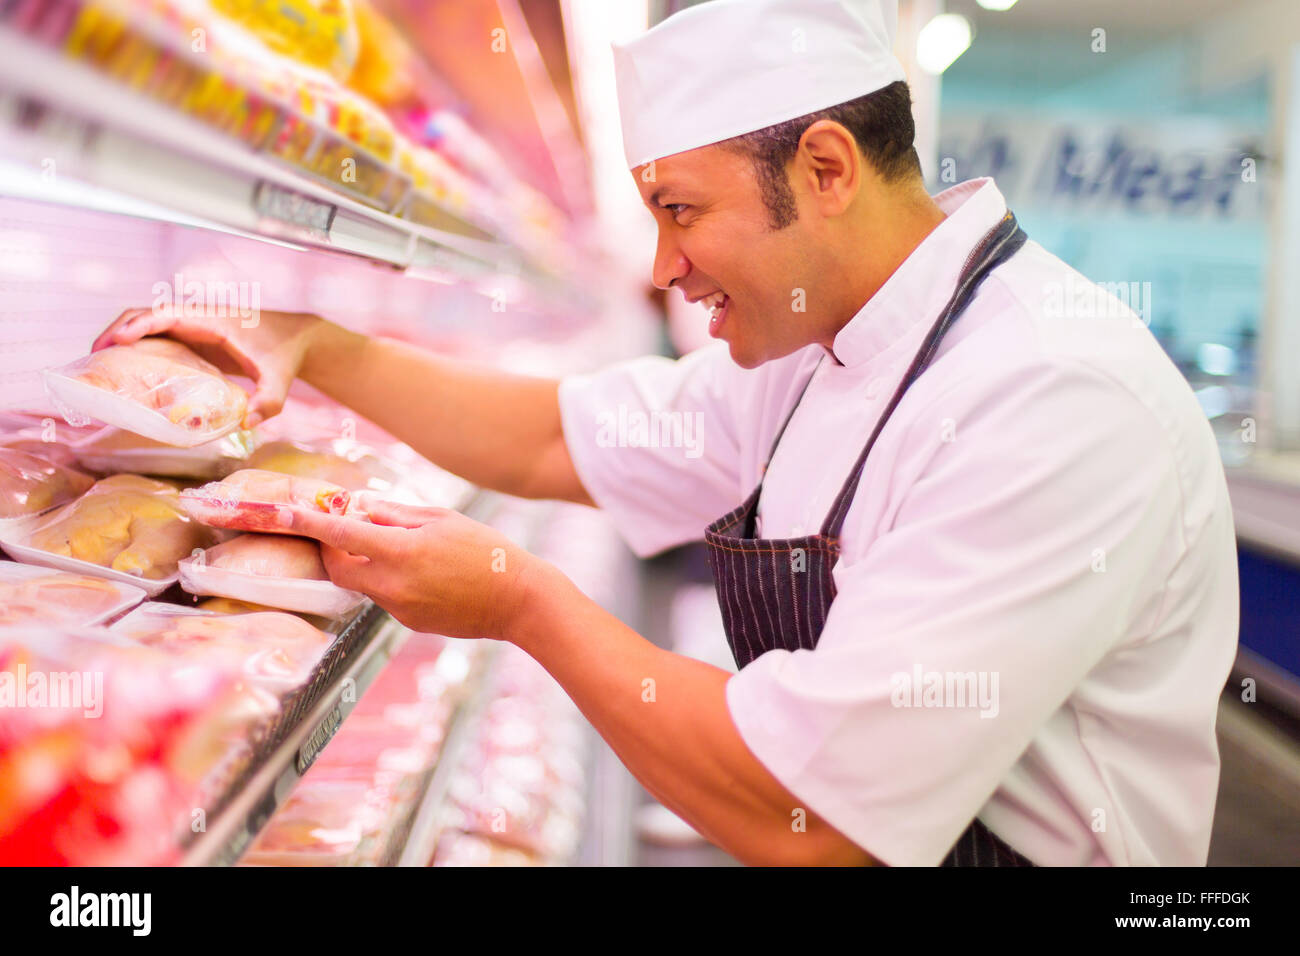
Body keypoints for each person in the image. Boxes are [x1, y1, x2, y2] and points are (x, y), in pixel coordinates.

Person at [94, 0, 1239, 866]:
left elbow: (817, 815)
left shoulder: (1048, 396)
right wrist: (316, 345)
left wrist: (518, 597)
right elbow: (554, 441)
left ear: (826, 169)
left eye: (679, 211)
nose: (661, 267)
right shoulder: (824, 349)